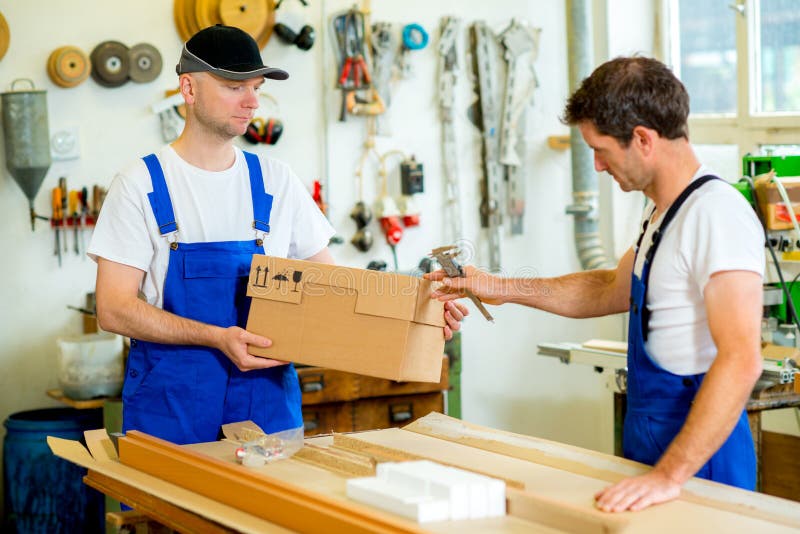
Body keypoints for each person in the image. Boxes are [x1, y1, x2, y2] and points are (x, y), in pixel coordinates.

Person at [89, 25, 466, 446]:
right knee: (169, 512)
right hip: (173, 404)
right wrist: (217, 337)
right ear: (188, 88)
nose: (252, 102)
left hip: (264, 401)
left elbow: (333, 290)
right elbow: (113, 309)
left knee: (269, 512)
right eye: (235, 87)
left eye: (256, 87)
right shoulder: (139, 183)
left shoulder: (274, 180)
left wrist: (418, 312)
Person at [427, 56, 764, 512]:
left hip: (701, 464)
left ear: (643, 139)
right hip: (656, 449)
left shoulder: (716, 214)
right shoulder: (663, 210)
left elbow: (742, 359)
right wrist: (497, 286)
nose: (598, 166)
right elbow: (609, 288)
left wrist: (670, 475)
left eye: (601, 149)